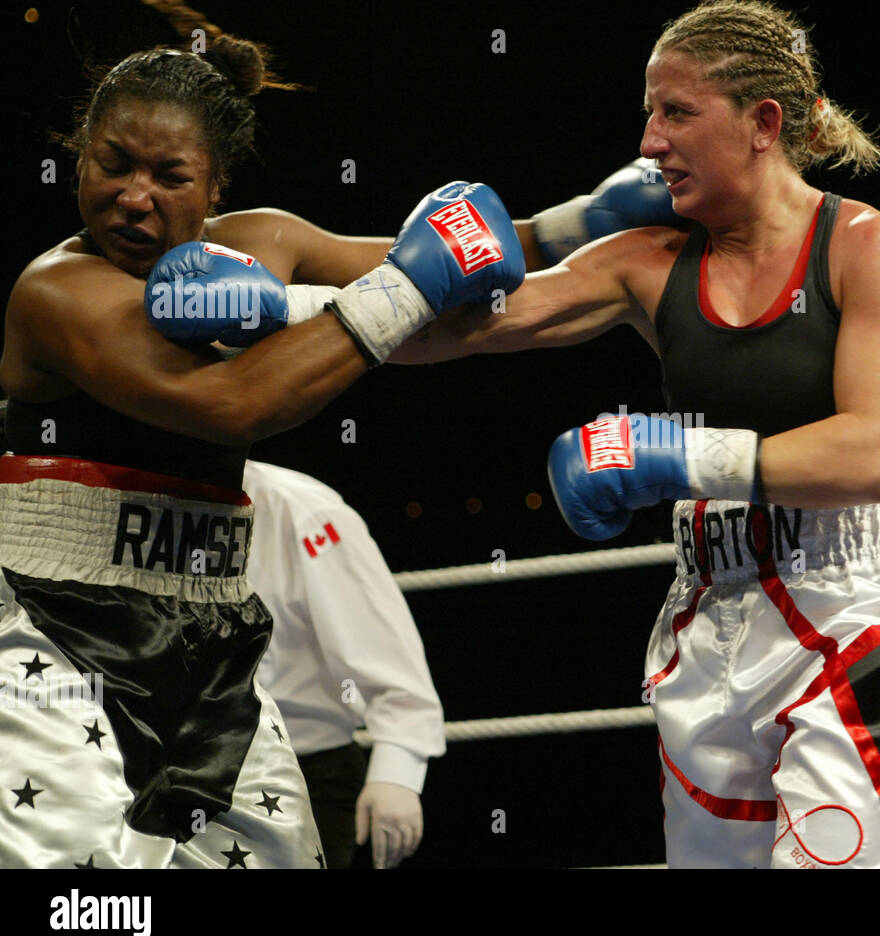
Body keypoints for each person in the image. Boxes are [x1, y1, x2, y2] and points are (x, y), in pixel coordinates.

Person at [0, 0, 678, 867]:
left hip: (210, 645)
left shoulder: (266, 242)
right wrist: (410, 282)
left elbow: (448, 288)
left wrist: (576, 224)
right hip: (59, 637)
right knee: (88, 900)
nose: (135, 197)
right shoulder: (54, 291)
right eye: (113, 164)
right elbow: (237, 402)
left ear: (215, 190)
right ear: (78, 156)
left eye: (169, 176)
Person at [397, 0, 880, 869]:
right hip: (716, 605)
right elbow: (454, 326)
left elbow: (877, 456)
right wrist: (294, 308)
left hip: (860, 599)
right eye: (650, 113)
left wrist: (674, 456)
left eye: (675, 112)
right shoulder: (647, 259)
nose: (649, 142)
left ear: (763, 124)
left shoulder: (869, 249)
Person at [242, 459, 443, 871]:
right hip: (166, 771)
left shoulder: (302, 508)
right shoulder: (125, 495)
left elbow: (386, 651)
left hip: (302, 771)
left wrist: (397, 770)